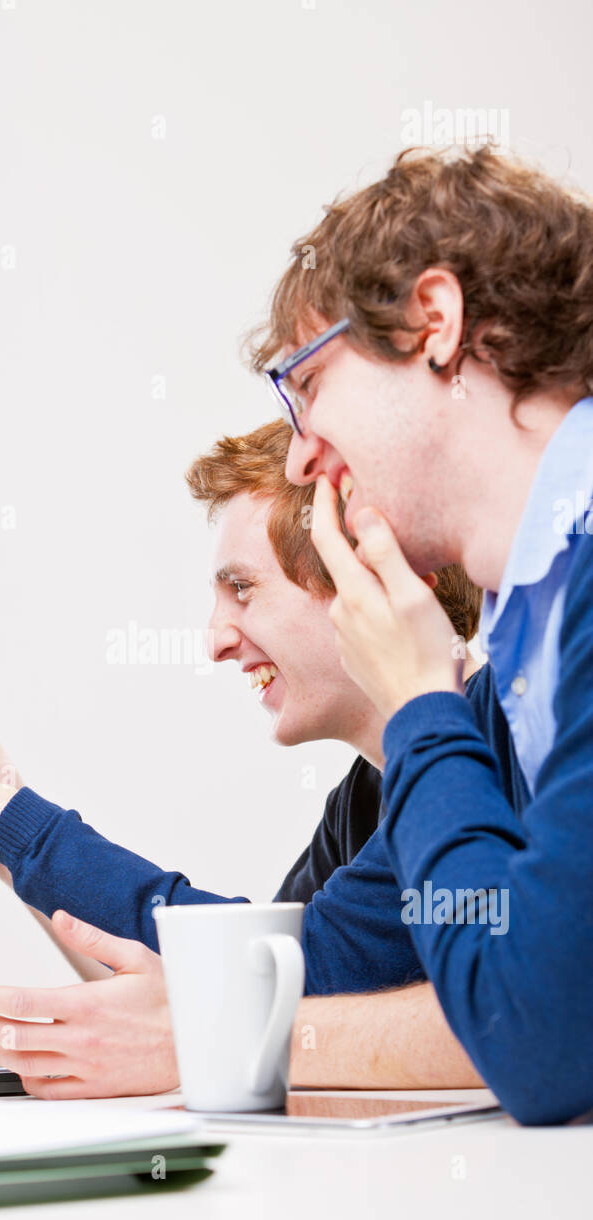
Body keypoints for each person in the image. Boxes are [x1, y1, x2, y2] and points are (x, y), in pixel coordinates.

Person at [0, 420, 492, 1098]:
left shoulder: (492, 745)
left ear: (373, 585)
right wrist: (1, 843)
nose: (216, 639)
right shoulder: (367, 796)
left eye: (242, 589)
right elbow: (212, 989)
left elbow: (292, 981)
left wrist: (10, 821)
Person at [251, 142, 593, 1125]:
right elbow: (340, 953)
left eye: (307, 385)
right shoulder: (528, 629)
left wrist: (415, 702)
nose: (304, 455)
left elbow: (539, 1031)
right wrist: (15, 831)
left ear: (432, 324)